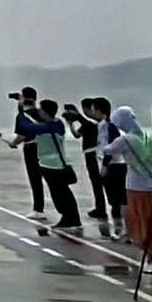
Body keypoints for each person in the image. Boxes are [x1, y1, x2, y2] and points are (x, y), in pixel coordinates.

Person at [107, 105, 152, 261]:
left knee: (143, 222)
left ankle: (150, 259)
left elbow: (107, 150)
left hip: (135, 185)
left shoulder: (124, 140)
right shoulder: (147, 136)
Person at [10, 98, 82, 235]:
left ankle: (69, 218)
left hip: (52, 165)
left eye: (41, 110)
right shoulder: (57, 123)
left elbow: (24, 126)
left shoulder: (48, 127)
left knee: (59, 194)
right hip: (58, 163)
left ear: (45, 112)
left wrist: (20, 109)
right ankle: (72, 218)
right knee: (64, 192)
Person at [87, 98, 126, 241]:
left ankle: (121, 229)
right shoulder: (105, 125)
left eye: (92, 109)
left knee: (117, 200)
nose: (91, 112)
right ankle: (122, 229)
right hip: (113, 165)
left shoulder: (108, 126)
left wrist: (104, 165)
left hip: (114, 166)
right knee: (116, 200)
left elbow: (111, 147)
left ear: (98, 110)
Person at [71, 100, 110, 230]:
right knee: (95, 182)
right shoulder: (89, 123)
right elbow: (77, 134)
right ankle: (100, 207)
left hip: (94, 155)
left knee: (98, 182)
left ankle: (102, 208)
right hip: (89, 155)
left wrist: (78, 117)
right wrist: (70, 123)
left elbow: (88, 125)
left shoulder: (95, 123)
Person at [12, 87, 47, 219]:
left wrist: (13, 143)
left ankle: (38, 209)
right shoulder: (42, 113)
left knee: (35, 179)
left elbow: (22, 136)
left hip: (31, 148)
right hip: (45, 147)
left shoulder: (22, 116)